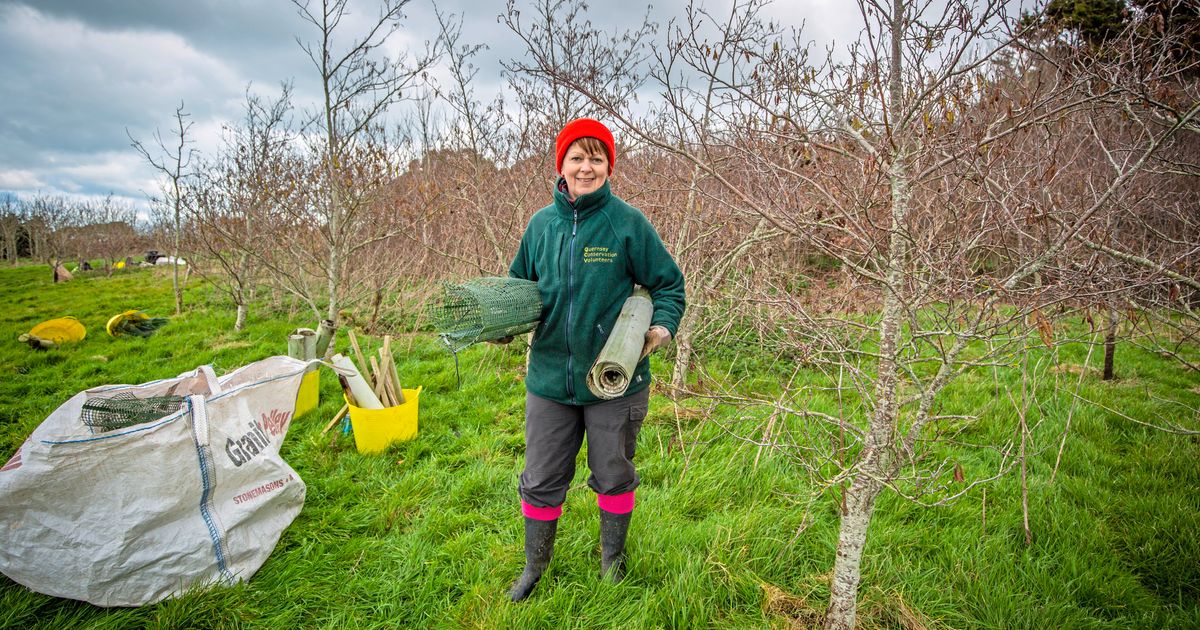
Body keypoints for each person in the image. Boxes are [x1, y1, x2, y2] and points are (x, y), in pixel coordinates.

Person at [504, 118, 686, 601]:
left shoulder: (626, 223)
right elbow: (519, 287)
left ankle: (612, 563)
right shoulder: (541, 225)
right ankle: (534, 569)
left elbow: (669, 283)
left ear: (609, 165)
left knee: (613, 472)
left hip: (615, 381)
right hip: (549, 381)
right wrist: (501, 323)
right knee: (540, 478)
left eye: (597, 158)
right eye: (577, 158)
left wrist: (662, 327)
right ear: (560, 164)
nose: (587, 167)